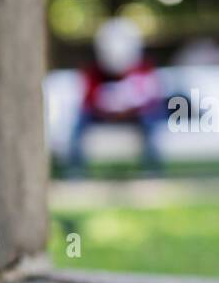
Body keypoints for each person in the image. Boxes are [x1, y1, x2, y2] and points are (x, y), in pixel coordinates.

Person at [68, 18, 165, 176]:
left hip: (134, 115)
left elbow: (150, 98)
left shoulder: (144, 69)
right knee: (80, 119)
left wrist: (127, 108)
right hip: (102, 116)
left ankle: (153, 168)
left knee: (151, 118)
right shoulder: (93, 73)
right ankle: (75, 169)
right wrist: (108, 109)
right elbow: (90, 100)